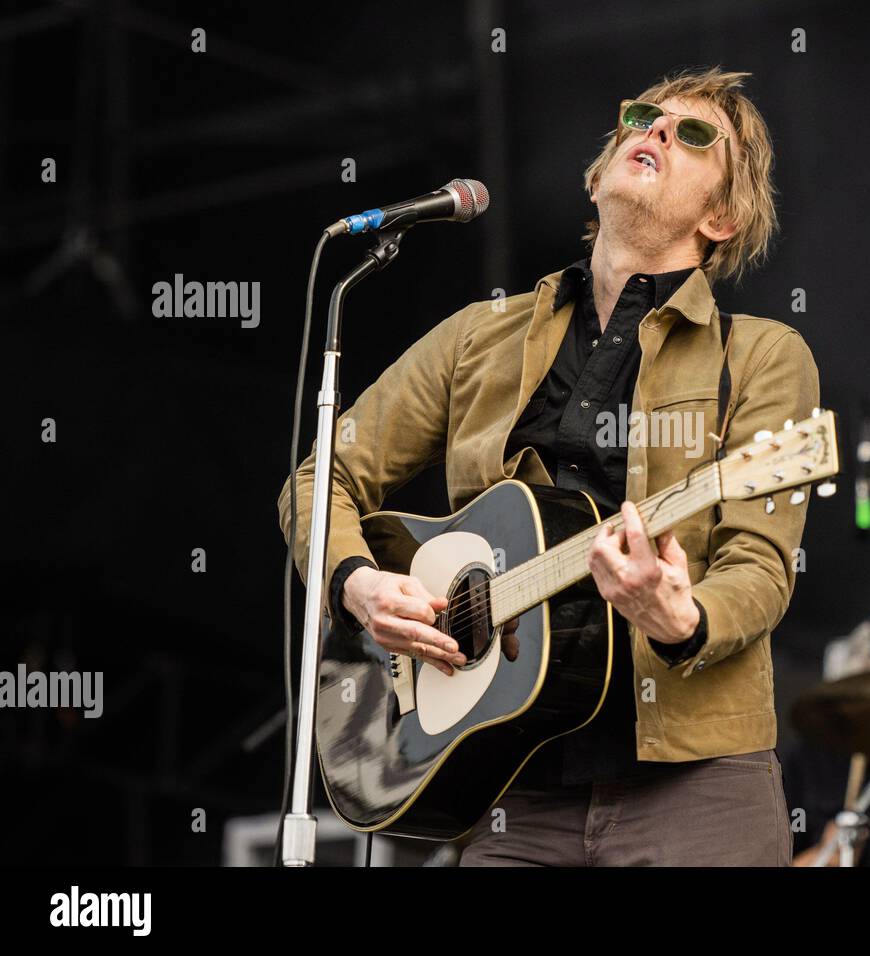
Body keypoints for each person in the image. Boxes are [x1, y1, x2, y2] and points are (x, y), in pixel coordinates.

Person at [278, 66, 821, 866]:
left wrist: (681, 618)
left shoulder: (764, 355)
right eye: (643, 118)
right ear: (597, 175)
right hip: (513, 788)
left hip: (697, 789)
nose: (657, 131)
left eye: (694, 133)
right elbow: (320, 480)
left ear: (723, 216)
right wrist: (357, 581)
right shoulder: (476, 338)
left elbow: (760, 570)